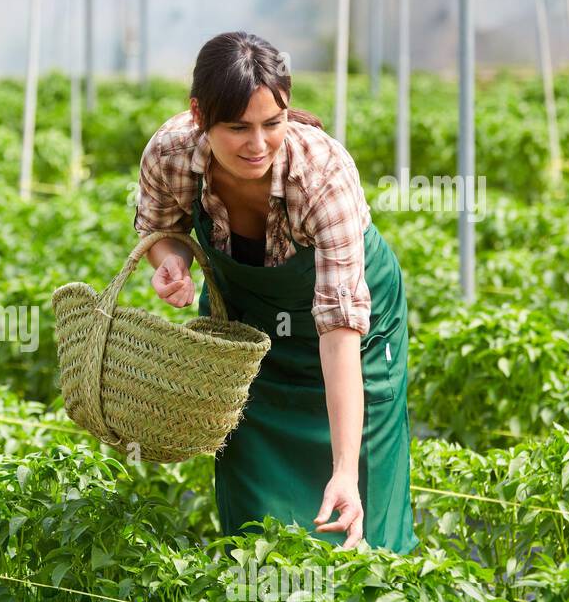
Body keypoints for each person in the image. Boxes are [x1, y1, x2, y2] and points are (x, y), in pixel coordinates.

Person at [133, 31, 418, 554]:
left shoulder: (322, 176)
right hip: (248, 328)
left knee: (366, 527)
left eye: (273, 123)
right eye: (238, 128)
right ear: (199, 115)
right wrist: (170, 263)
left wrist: (345, 472)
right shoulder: (170, 154)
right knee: (257, 521)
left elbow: (338, 333)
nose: (258, 145)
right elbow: (160, 228)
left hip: (353, 336)